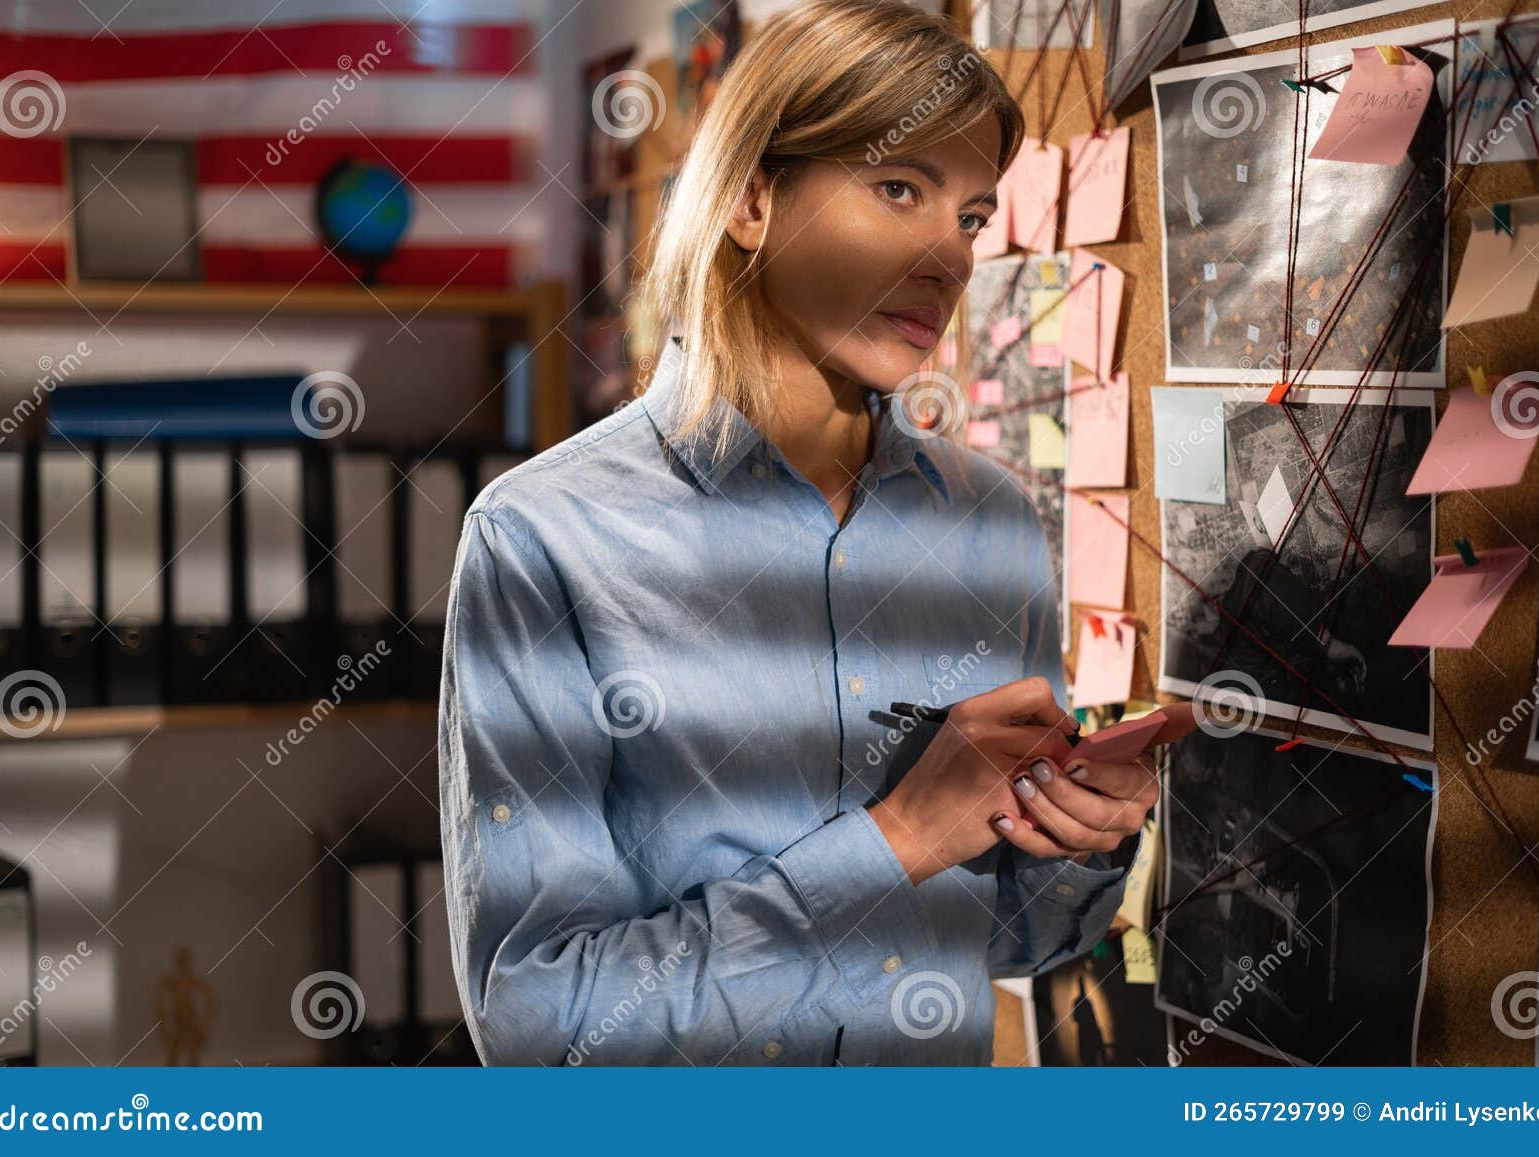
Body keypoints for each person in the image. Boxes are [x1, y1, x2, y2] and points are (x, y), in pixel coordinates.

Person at [438, 0, 1183, 1066]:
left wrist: (1081, 843)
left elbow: (1001, 934)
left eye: (972, 217)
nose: (949, 257)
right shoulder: (543, 539)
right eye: (898, 189)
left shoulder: (992, 525)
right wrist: (899, 840)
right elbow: (538, 1019)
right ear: (751, 197)